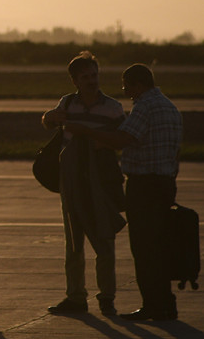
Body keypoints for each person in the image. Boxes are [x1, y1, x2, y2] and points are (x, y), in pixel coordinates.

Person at [70, 63, 183, 322]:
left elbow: (124, 139)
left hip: (144, 186)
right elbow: (177, 150)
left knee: (144, 247)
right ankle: (166, 304)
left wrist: (88, 132)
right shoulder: (170, 107)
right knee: (160, 245)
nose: (125, 92)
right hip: (165, 182)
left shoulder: (145, 106)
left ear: (137, 84)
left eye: (127, 86)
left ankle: (152, 305)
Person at [40, 51, 126, 316]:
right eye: (86, 77)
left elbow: (122, 140)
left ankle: (107, 297)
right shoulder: (68, 103)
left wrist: (96, 139)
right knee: (74, 242)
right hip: (71, 180)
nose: (92, 81)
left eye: (94, 75)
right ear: (75, 81)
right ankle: (76, 297)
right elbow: (47, 122)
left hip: (100, 179)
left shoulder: (112, 108)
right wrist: (50, 117)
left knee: (104, 239)